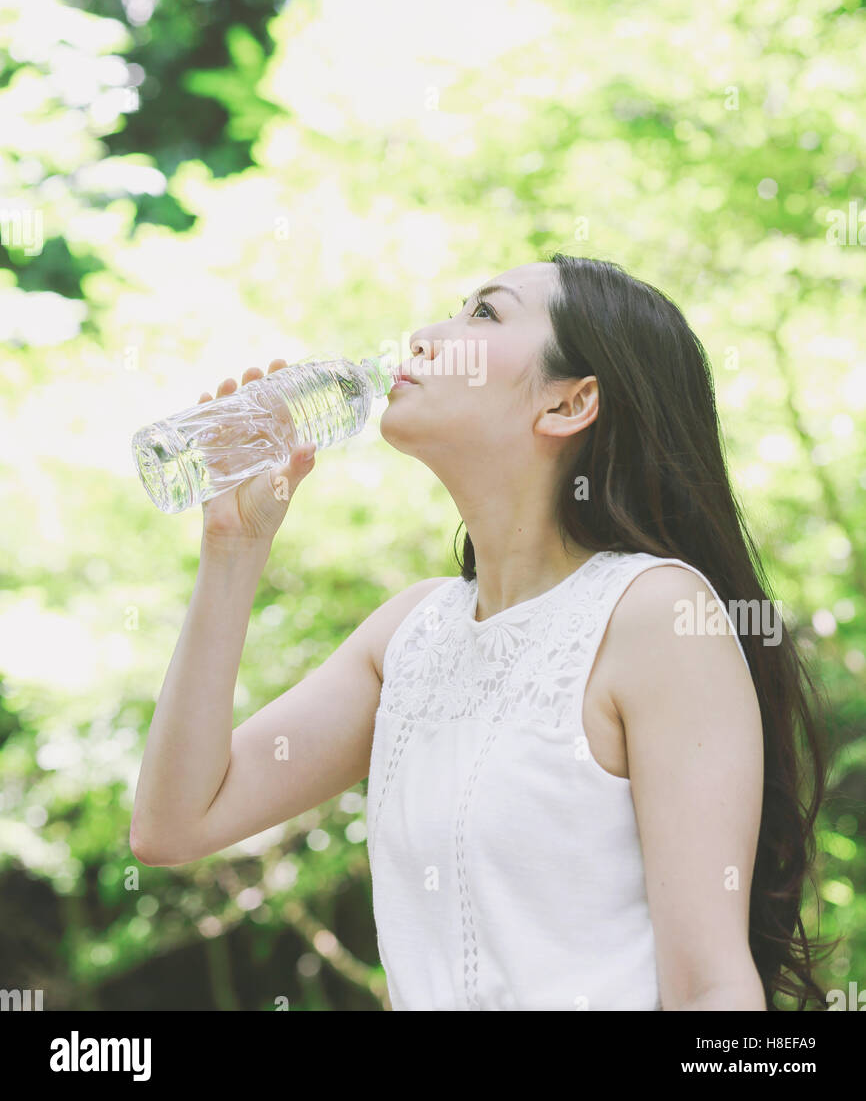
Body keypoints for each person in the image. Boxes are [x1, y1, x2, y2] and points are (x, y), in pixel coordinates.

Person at [131, 254, 834, 1011]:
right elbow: (175, 824)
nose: (425, 336)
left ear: (568, 405)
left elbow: (711, 991)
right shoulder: (409, 633)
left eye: (485, 314)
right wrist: (233, 549)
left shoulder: (653, 616)